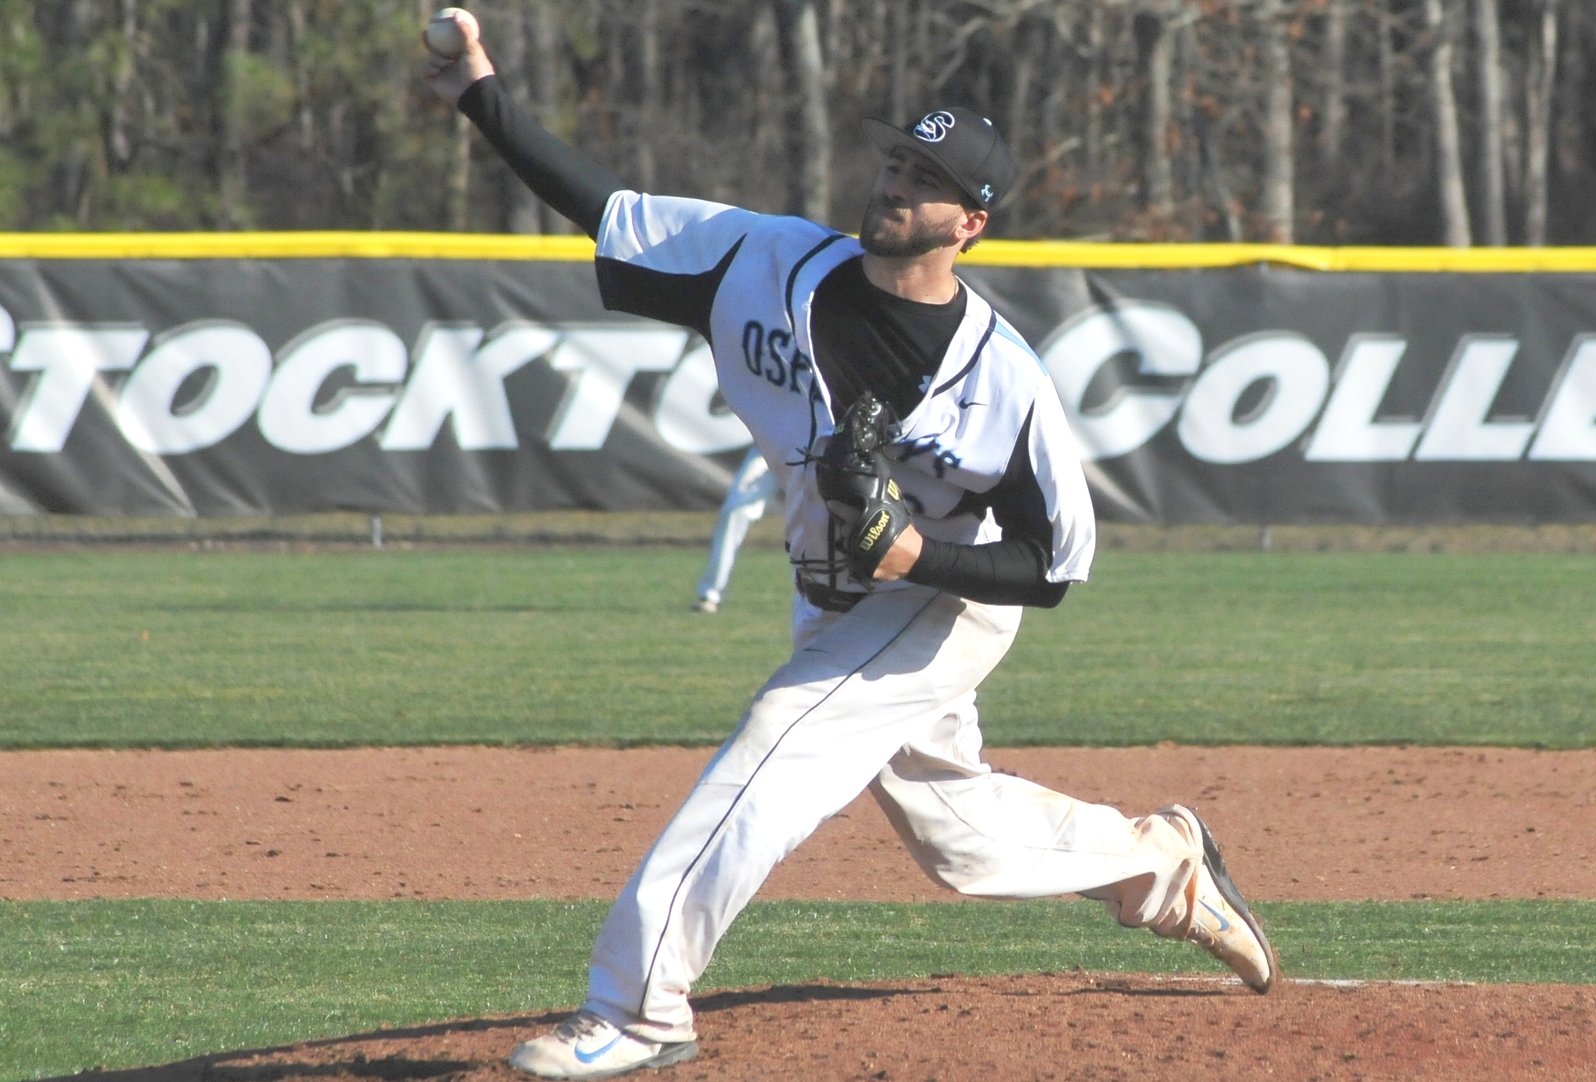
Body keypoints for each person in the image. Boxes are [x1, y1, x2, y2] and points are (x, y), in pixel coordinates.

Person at [423, 16, 1277, 1079]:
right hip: (835, 592)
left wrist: (920, 559)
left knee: (776, 745)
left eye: (925, 179)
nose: (894, 184)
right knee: (958, 835)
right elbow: (608, 209)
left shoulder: (1003, 381)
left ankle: (640, 1007)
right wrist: (480, 96)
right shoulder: (763, 261)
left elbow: (1056, 565)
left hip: (942, 600)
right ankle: (1165, 864)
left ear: (971, 222)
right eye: (893, 161)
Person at [690, 448, 776, 613]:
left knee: (824, 512)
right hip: (770, 441)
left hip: (819, 438)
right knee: (734, 512)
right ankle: (711, 594)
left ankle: (833, 597)